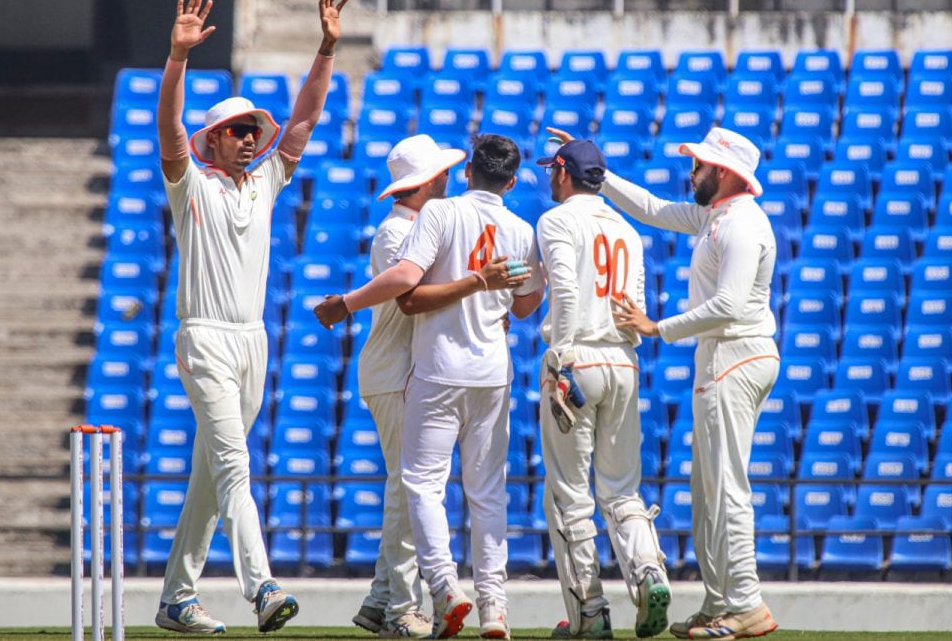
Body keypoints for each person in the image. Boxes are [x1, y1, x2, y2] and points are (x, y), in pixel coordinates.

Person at [152, 0, 348, 634]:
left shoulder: (265, 181)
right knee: (235, 464)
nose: (248, 138)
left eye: (251, 131)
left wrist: (326, 47)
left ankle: (177, 598)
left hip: (251, 341)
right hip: (205, 339)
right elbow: (169, 131)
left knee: (213, 477)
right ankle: (261, 586)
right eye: (236, 131)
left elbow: (304, 121)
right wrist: (178, 58)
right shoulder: (191, 184)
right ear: (213, 140)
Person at [314, 134, 545, 640]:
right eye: (438, 173)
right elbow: (416, 290)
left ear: (468, 174)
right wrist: (497, 287)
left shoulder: (437, 216)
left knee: (415, 488)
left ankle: (410, 596)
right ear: (511, 182)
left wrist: (345, 303)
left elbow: (412, 292)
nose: (446, 178)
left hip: (432, 368)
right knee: (460, 492)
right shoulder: (498, 226)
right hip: (434, 369)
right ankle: (430, 603)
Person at [568, 125, 781, 641]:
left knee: (726, 486)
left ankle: (746, 602)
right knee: (707, 490)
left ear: (723, 172)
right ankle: (719, 602)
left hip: (734, 355)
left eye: (700, 165)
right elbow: (653, 209)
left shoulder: (740, 224)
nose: (692, 172)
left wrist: (656, 327)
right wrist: (599, 175)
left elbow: (729, 306)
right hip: (724, 357)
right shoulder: (717, 215)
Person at [533, 139, 672, 640]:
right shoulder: (627, 230)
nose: (550, 179)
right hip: (623, 360)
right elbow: (636, 309)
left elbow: (567, 292)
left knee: (569, 497)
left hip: (578, 358)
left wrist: (561, 356)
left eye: (552, 170)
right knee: (621, 490)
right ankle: (649, 571)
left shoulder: (556, 220)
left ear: (564, 173)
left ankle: (590, 614)